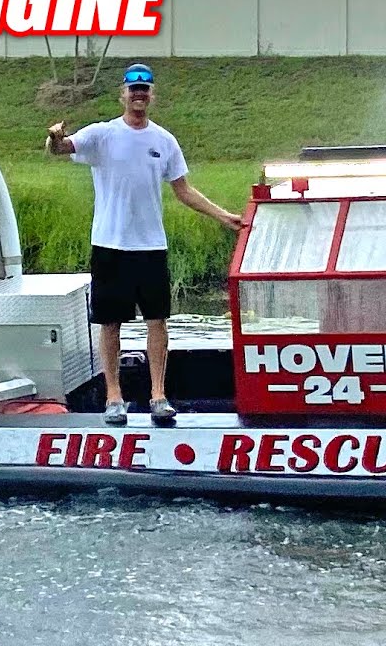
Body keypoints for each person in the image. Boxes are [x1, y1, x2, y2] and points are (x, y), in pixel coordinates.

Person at [46, 63, 243, 425]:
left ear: (152, 95)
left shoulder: (164, 141)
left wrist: (223, 216)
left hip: (150, 246)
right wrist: (55, 137)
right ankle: (113, 397)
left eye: (145, 89)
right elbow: (60, 149)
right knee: (110, 323)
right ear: (122, 95)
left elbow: (183, 190)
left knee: (157, 320)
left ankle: (158, 395)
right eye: (133, 89)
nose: (139, 95)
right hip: (110, 245)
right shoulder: (102, 134)